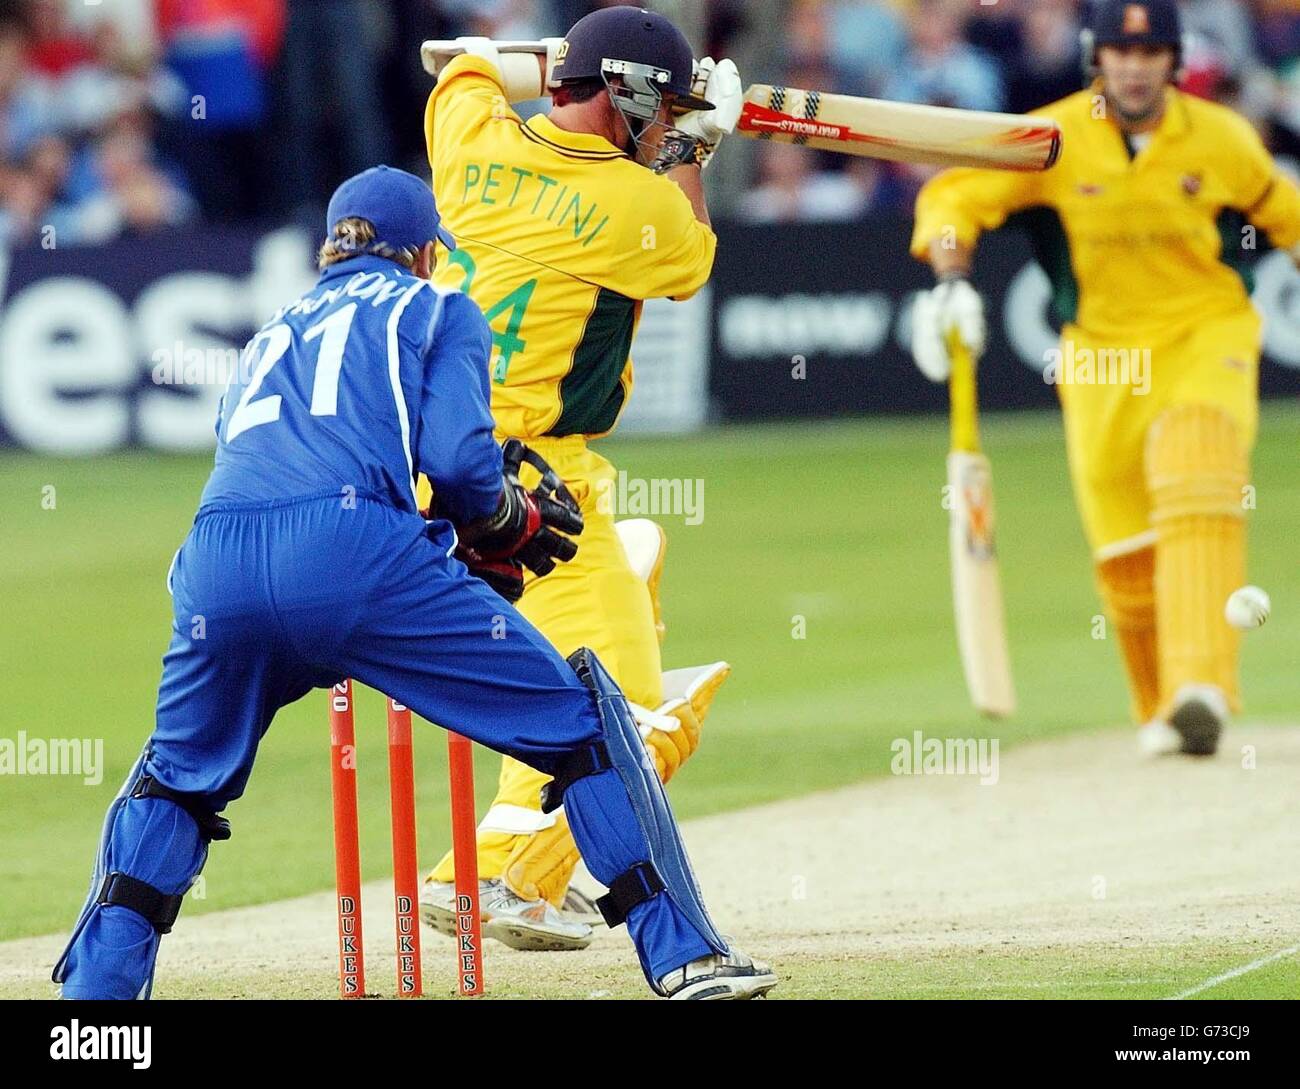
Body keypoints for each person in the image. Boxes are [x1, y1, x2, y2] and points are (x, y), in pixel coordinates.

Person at [51, 165, 777, 1001]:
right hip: (356, 554)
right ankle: (684, 956)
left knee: (173, 781)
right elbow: (463, 470)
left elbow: (263, 460)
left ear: (332, 247)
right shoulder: (436, 307)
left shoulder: (268, 335)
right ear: (427, 251)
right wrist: (512, 520)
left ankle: (94, 1009)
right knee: (583, 725)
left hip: (215, 566)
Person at [417, 7, 744, 950]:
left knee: (615, 604)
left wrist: (536, 70)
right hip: (529, 483)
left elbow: (465, 69)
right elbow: (690, 254)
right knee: (635, 712)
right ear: (633, 99)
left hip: (424, 464)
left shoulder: (464, 136)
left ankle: (513, 855)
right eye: (657, 107)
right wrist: (690, 144)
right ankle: (498, 876)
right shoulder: (635, 207)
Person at [910, 0, 1300, 756]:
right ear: (1098, 58)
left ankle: (1204, 686)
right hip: (1097, 357)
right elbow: (954, 196)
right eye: (1119, 52)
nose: (1133, 66)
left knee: (1198, 468)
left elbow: (1287, 214)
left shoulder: (1220, 138)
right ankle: (1165, 709)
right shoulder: (1052, 138)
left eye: (1149, 52)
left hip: (1203, 333)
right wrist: (953, 275)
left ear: (1173, 61)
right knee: (1126, 556)